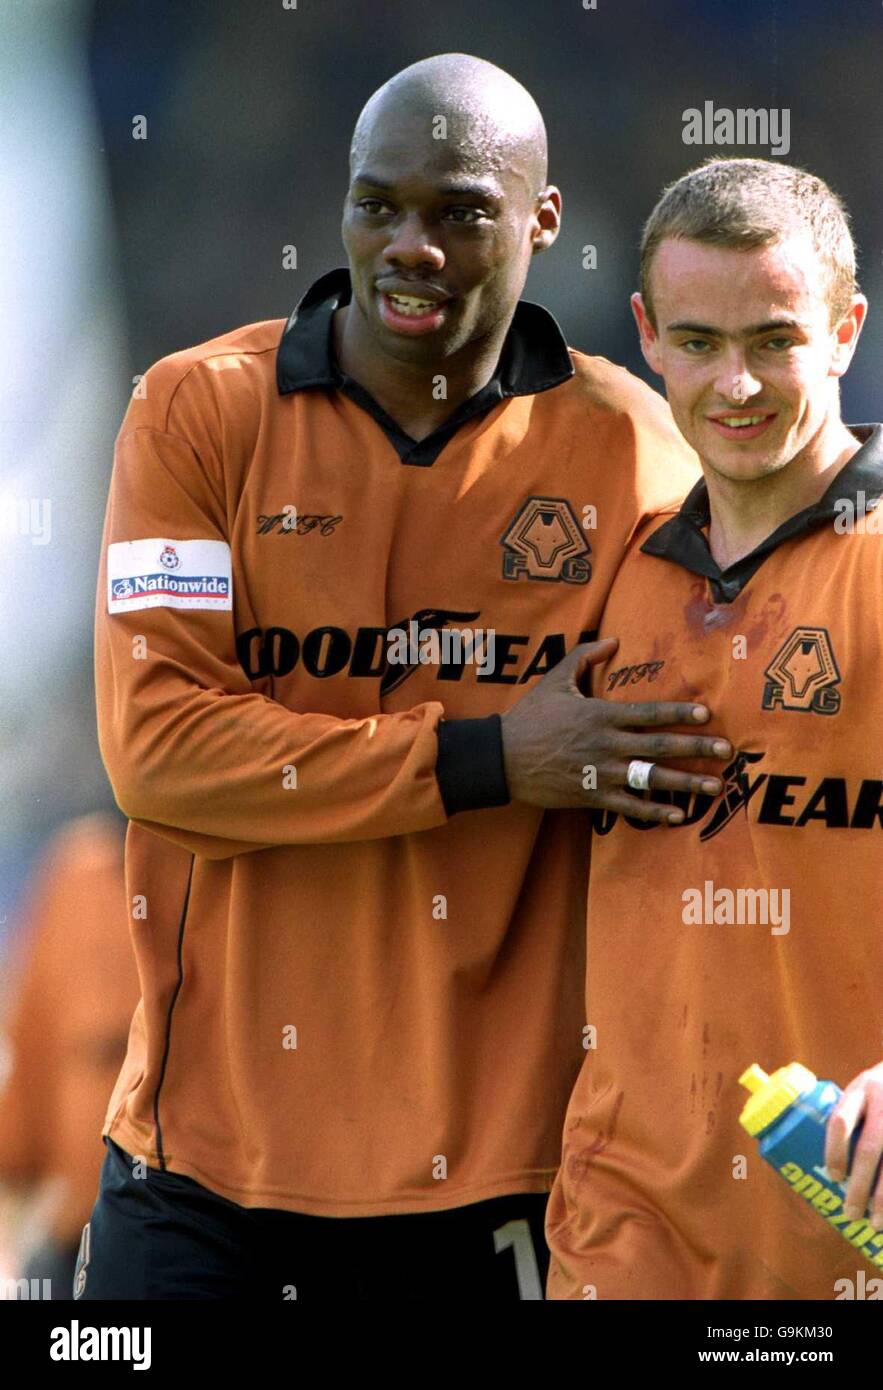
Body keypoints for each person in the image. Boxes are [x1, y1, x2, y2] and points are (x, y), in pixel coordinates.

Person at [83, 54, 729, 1301]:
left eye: (460, 212)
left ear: (541, 219)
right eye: (378, 205)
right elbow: (155, 754)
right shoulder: (195, 414)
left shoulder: (635, 452)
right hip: (200, 1172)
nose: (410, 246)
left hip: (498, 1180)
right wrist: (490, 756)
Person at [546, 156, 883, 1300]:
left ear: (843, 330)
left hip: (846, 1234)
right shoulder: (609, 580)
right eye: (697, 343)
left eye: (775, 341)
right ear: (645, 334)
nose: (734, 384)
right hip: (622, 1230)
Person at [0, 813, 136, 1298]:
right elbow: (32, 1042)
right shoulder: (79, 875)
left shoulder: (80, 874)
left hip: (161, 1223)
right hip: (87, 1221)